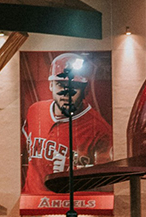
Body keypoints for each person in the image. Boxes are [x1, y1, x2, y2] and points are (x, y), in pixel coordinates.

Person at [22, 53, 114, 193]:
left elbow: (109, 183)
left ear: (86, 90)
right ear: (51, 85)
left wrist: (75, 172)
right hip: (32, 202)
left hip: (73, 204)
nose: (67, 93)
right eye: (61, 85)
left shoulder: (100, 130)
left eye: (74, 86)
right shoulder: (35, 111)